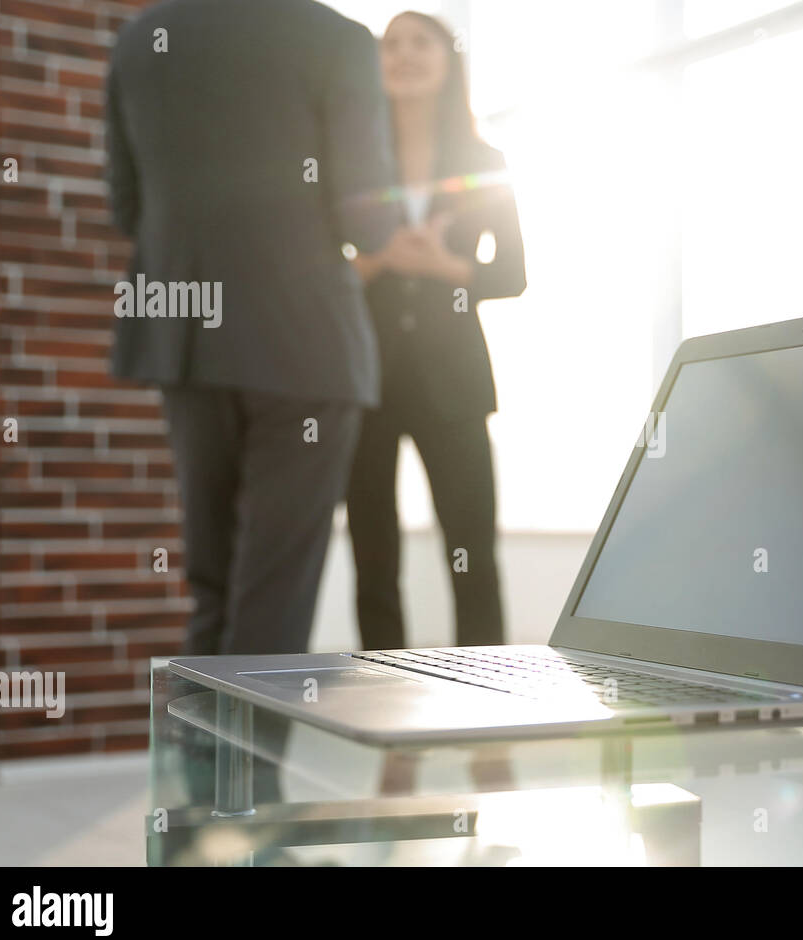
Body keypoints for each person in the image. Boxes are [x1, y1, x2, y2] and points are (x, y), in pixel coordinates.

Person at [105, 0, 401, 812]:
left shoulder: (139, 42)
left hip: (185, 334)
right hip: (300, 339)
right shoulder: (335, 40)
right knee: (273, 596)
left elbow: (126, 206)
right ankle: (247, 820)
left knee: (212, 587)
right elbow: (366, 215)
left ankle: (197, 814)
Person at [346, 11, 527, 653]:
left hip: (455, 379)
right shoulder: (356, 160)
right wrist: (377, 260)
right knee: (372, 555)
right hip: (366, 378)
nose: (404, 54)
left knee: (471, 548)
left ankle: (490, 705)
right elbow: (320, 265)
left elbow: (512, 274)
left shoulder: (484, 159)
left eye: (420, 42)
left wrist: (447, 266)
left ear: (449, 61)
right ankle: (380, 706)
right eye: (391, 44)